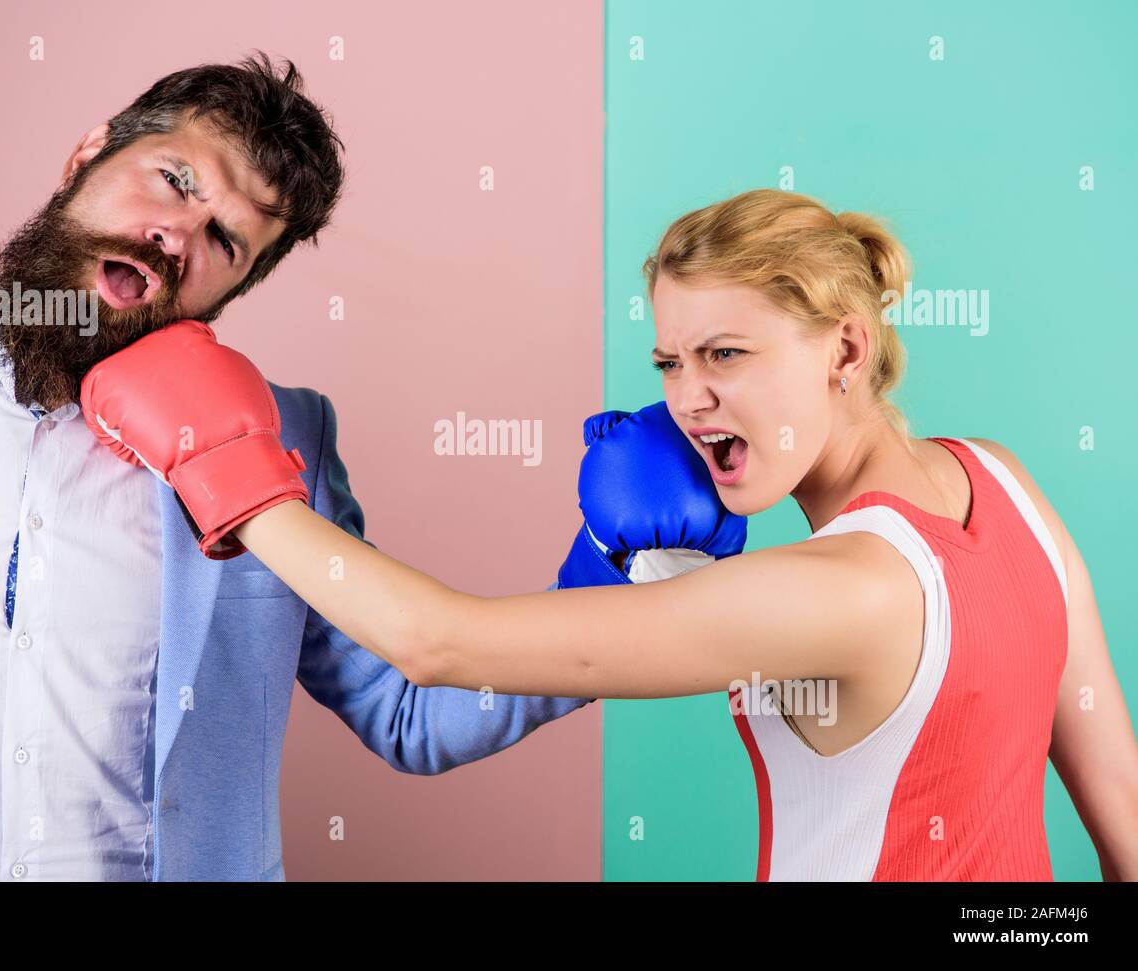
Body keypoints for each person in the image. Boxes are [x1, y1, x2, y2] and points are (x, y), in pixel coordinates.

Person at [82, 188, 1138, 881]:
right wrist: (640, 567)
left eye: (726, 354)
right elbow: (1122, 806)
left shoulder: (841, 587)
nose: (690, 400)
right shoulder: (1003, 481)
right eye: (669, 363)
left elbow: (435, 644)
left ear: (845, 348)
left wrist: (232, 474)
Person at [0, 52, 591, 883]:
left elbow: (411, 710)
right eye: (174, 180)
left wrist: (613, 579)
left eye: (225, 240)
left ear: (228, 292)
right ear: (86, 156)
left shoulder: (286, 436)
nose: (177, 235)